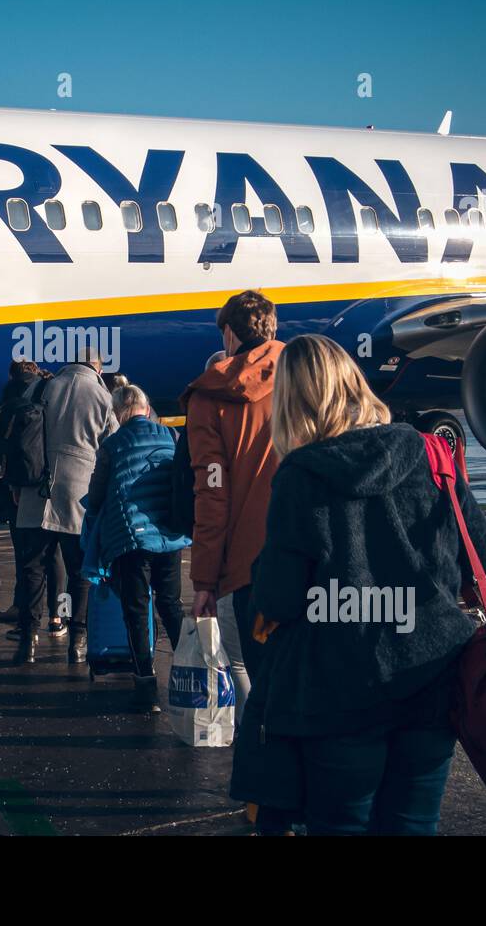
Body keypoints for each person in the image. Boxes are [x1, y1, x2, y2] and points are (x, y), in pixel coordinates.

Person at [238, 334, 486, 836]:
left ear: (293, 402)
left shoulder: (301, 476)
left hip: (340, 690)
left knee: (341, 824)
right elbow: (483, 557)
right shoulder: (430, 453)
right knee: (413, 825)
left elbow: (280, 595)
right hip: (430, 676)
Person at [180, 290, 283, 710]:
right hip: (314, 558)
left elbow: (212, 495)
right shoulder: (309, 373)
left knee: (244, 666)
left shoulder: (211, 398)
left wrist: (203, 581)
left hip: (249, 569)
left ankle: (264, 762)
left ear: (228, 333)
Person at [84, 384, 189, 708]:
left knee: (136, 610)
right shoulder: (169, 436)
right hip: (168, 537)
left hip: (130, 537)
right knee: (171, 605)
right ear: (146, 408)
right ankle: (190, 671)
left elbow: (97, 495)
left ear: (118, 413)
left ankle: (146, 687)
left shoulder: (113, 445)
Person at [14, 348, 117, 664]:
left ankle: (28, 640)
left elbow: (21, 433)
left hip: (36, 489)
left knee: (32, 569)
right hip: (79, 494)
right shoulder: (102, 396)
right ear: (96, 368)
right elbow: (111, 446)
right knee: (79, 571)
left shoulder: (42, 386)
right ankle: (78, 639)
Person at [0, 360, 64, 635]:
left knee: (30, 558)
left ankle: (28, 623)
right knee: (57, 558)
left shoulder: (15, 400)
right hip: (57, 483)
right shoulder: (58, 402)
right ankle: (60, 618)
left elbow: (5, 445)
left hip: (25, 486)